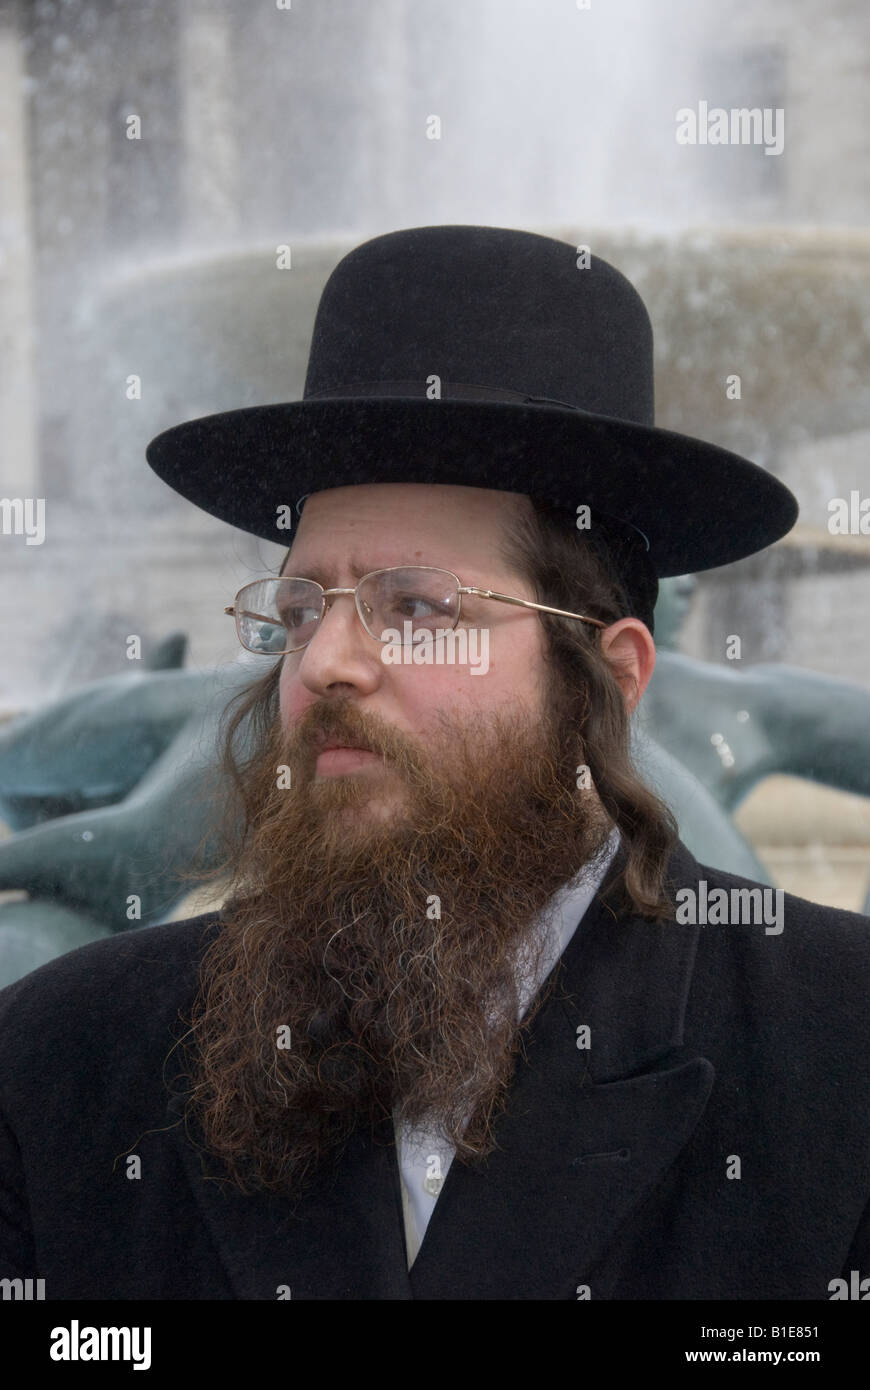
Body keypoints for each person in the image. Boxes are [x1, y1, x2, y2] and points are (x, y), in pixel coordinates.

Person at [0, 225, 867, 1301]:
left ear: (611, 674)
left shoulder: (836, 1051)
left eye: (415, 606)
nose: (326, 662)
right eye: (301, 607)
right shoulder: (64, 1060)